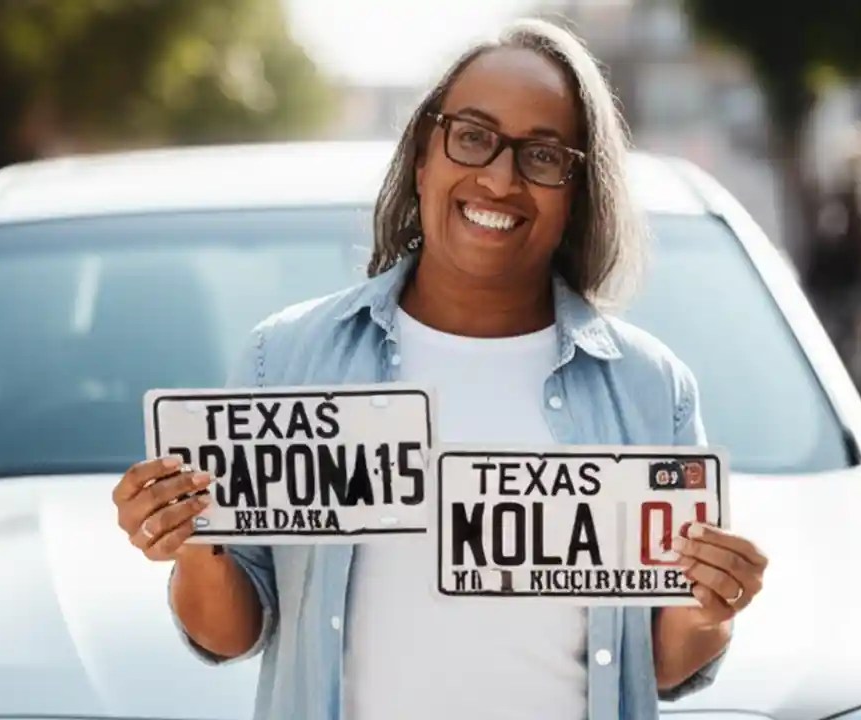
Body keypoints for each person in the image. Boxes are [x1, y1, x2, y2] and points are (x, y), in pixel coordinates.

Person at [113, 18, 768, 720]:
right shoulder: (288, 358)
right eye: (474, 136)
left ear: (577, 192)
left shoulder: (649, 387)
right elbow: (232, 630)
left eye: (544, 156)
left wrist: (710, 606)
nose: (499, 178)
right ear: (424, 152)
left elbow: (663, 663)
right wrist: (190, 544)